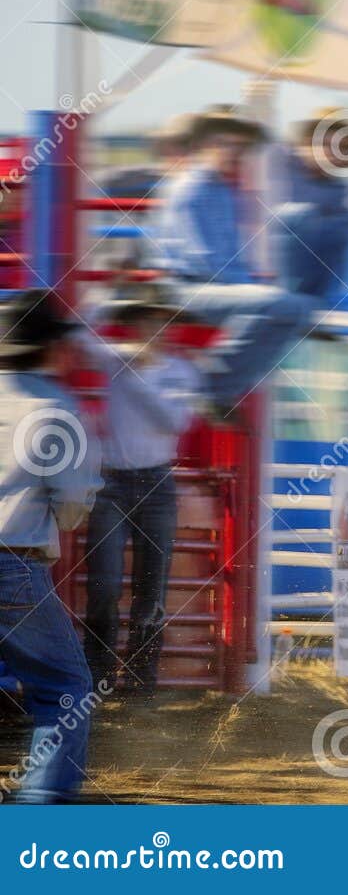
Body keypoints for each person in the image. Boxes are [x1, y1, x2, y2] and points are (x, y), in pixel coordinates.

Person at [74, 285, 203, 697]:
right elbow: (77, 335)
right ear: (135, 322)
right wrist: (110, 297)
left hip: (156, 484)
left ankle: (140, 681)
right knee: (104, 584)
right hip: (112, 483)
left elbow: (175, 422)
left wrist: (135, 371)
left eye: (160, 319)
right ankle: (97, 678)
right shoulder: (117, 358)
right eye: (145, 318)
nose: (154, 327)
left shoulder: (181, 371)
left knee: (152, 587)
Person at [0, 290, 102, 803]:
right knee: (65, 690)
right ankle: (39, 819)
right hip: (12, 565)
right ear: (50, 349)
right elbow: (71, 506)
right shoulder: (57, 411)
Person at [147, 108, 315, 419]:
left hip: (202, 283)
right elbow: (207, 262)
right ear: (204, 145)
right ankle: (212, 385)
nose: (234, 152)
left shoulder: (217, 188)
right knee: (284, 307)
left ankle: (218, 384)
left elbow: (221, 258)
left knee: (292, 309)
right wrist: (257, 290)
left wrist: (255, 290)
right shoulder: (194, 188)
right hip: (185, 287)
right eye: (225, 143)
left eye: (239, 146)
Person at [270, 107, 348, 305]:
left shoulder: (344, 179)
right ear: (304, 144)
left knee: (339, 227)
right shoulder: (281, 165)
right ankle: (293, 302)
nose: (331, 152)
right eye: (323, 144)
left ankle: (312, 307)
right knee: (302, 217)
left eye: (341, 146)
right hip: (272, 259)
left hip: (317, 260)